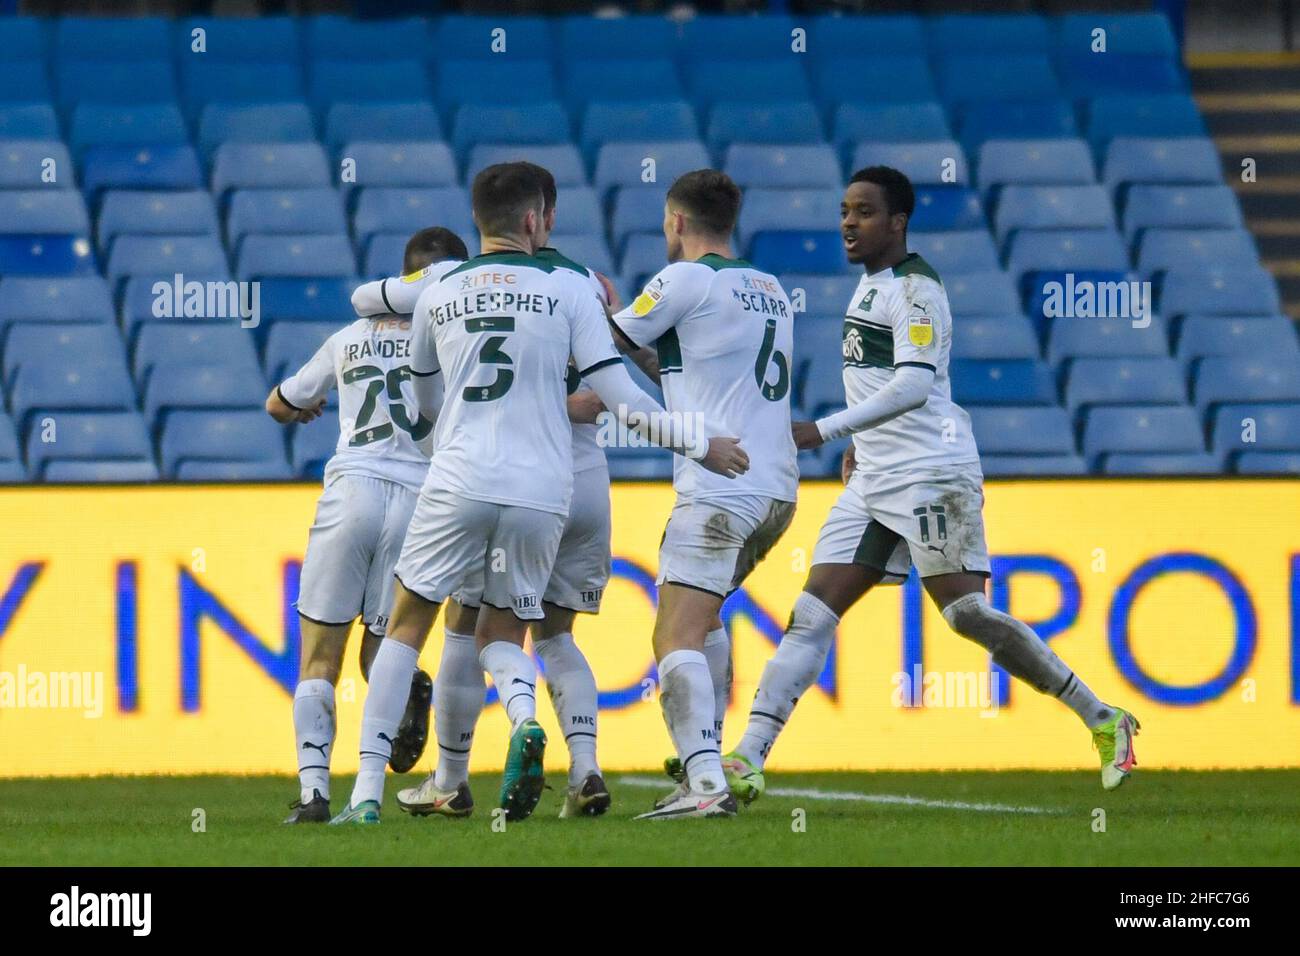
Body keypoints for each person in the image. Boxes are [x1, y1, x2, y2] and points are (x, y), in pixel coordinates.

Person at [329, 163, 749, 825]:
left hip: (459, 479)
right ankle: (531, 722)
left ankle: (365, 796)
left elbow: (425, 400)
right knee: (514, 632)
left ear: (480, 220)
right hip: (543, 492)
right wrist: (701, 440)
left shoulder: (440, 288)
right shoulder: (574, 286)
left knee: (410, 627)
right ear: (536, 220)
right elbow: (624, 400)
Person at [724, 166, 1140, 804]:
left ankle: (1103, 718)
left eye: (863, 212)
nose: (847, 223)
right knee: (811, 613)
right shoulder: (873, 287)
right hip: (877, 477)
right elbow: (882, 381)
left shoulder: (915, 291)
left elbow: (916, 383)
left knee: (965, 614)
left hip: (930, 473)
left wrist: (827, 430)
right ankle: (748, 757)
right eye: (843, 210)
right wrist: (862, 445)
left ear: (898, 222)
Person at [609, 169, 800, 820]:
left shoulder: (684, 278)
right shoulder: (769, 288)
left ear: (676, 221)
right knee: (706, 622)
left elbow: (608, 342)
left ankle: (704, 783)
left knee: (675, 636)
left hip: (720, 487)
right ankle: (707, 762)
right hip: (776, 489)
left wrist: (592, 306)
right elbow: (686, 369)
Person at [268, 227, 468, 824]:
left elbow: (279, 402)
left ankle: (312, 796)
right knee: (388, 646)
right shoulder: (454, 340)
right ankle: (371, 787)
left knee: (319, 657)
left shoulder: (349, 337)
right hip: (418, 500)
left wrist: (304, 407)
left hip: (351, 489)